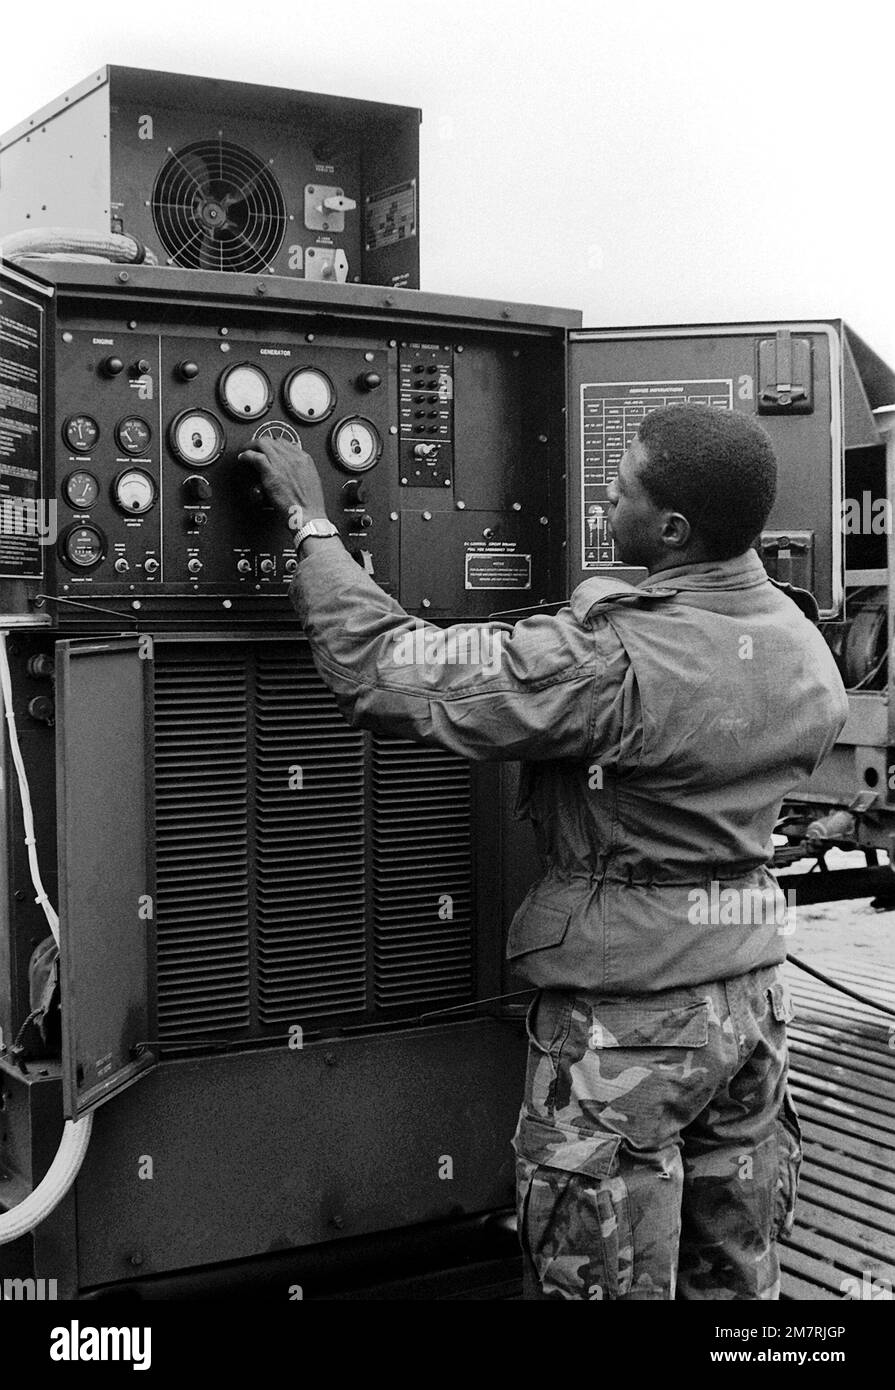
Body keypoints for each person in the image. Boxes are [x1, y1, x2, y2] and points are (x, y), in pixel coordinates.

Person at [239, 403, 848, 1300]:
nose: (605, 493)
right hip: (751, 1003)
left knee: (602, 1276)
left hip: (631, 1019)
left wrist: (312, 523)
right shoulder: (800, 642)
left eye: (624, 485)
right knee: (735, 1279)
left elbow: (382, 668)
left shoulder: (613, 664)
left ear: (673, 530)